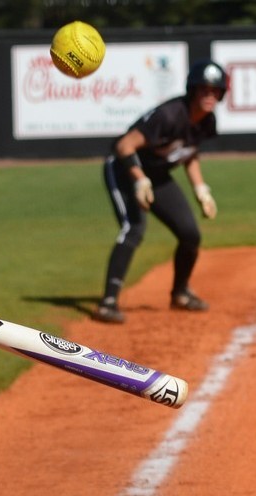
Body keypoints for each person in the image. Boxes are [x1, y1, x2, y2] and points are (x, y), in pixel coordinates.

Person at [93, 59, 228, 324]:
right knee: (134, 228)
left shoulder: (206, 121)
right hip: (124, 169)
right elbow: (124, 146)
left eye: (215, 91)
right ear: (192, 90)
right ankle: (108, 302)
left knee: (190, 234)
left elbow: (190, 152)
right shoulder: (169, 115)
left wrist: (201, 189)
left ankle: (180, 293)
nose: (209, 95)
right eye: (204, 89)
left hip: (156, 174)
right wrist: (140, 179)